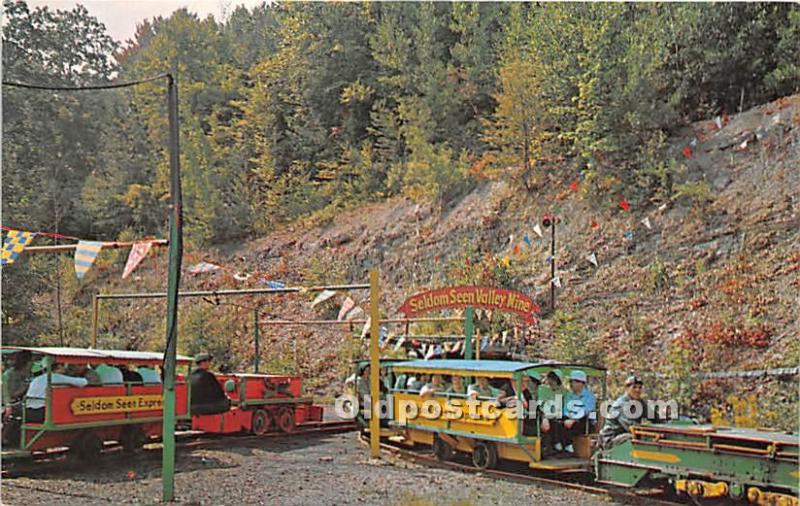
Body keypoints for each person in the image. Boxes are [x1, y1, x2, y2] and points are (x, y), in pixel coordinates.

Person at [599, 375, 646, 450]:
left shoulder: (640, 403)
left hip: (624, 436)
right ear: (627, 388)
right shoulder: (621, 404)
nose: (637, 390)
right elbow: (631, 427)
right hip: (611, 440)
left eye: (640, 387)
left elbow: (656, 418)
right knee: (635, 437)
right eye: (634, 387)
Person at [561, 370, 597, 454]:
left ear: (581, 383)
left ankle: (568, 446)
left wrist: (573, 419)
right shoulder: (569, 395)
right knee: (558, 422)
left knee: (577, 424)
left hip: (585, 421)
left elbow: (586, 410)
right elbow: (565, 409)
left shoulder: (589, 396)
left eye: (573, 382)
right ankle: (560, 446)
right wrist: (568, 418)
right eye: (571, 382)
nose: (571, 384)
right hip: (570, 418)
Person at [538, 370, 568, 454]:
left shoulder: (564, 391)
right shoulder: (542, 389)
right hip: (544, 413)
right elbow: (540, 404)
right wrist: (544, 416)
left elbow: (567, 403)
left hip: (558, 413)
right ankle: (553, 445)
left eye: (554, 382)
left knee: (561, 421)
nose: (552, 384)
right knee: (550, 422)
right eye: (550, 382)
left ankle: (562, 445)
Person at [2, 351, 33, 417]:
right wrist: (27, 385)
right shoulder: (10, 374)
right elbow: (12, 394)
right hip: (12, 404)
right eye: (31, 362)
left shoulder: (29, 374)